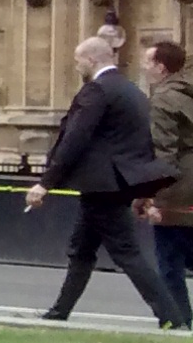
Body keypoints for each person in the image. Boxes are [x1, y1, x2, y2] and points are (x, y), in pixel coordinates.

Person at [30, 36, 184, 325]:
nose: (77, 67)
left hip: (102, 185)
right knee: (82, 248)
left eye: (78, 61)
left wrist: (46, 182)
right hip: (117, 183)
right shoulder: (133, 92)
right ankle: (60, 311)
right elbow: (142, 143)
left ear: (90, 60)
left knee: (126, 252)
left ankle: (171, 317)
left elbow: (75, 138)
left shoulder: (97, 90)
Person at [142, 41, 193, 323]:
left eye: (148, 63)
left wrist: (153, 196)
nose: (145, 68)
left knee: (169, 262)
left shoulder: (162, 98)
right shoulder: (188, 92)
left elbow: (165, 152)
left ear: (161, 67)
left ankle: (177, 319)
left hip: (179, 189)